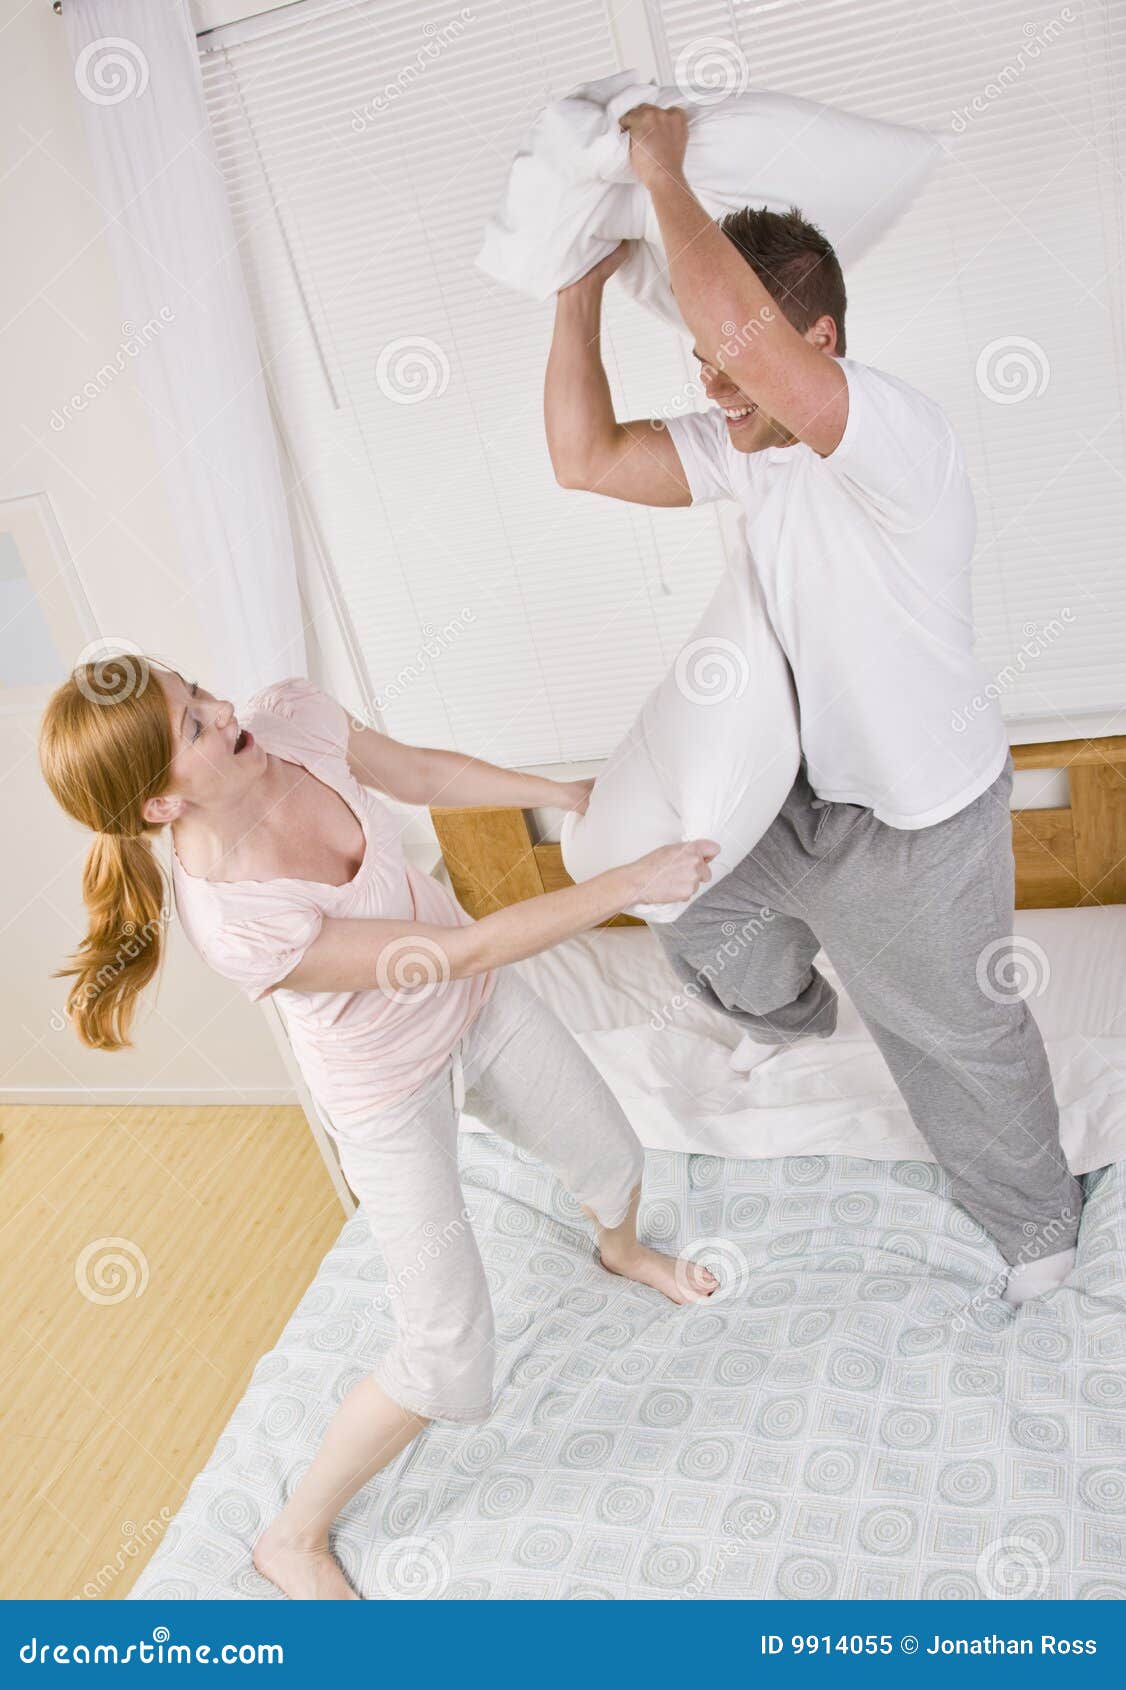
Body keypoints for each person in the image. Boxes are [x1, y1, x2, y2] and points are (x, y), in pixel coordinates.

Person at [543, 102, 1082, 1308]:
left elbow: (744, 333)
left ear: (821, 340)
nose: (712, 387)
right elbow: (581, 456)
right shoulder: (751, 446)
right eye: (704, 371)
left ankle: (1040, 1222)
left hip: (921, 820)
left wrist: (658, 169)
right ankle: (799, 1011)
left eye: (733, 367)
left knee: (955, 1038)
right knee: (686, 907)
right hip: (805, 794)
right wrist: (576, 285)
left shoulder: (895, 433)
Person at [39, 655, 720, 1599]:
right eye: (193, 725)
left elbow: (420, 776)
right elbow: (456, 948)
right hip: (386, 1089)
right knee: (447, 1352)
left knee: (611, 1154)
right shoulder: (240, 921)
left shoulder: (291, 721)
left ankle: (622, 1252)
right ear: (159, 805)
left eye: (196, 692)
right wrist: (633, 882)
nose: (223, 710)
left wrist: (563, 791)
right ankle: (292, 1536)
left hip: (476, 1008)